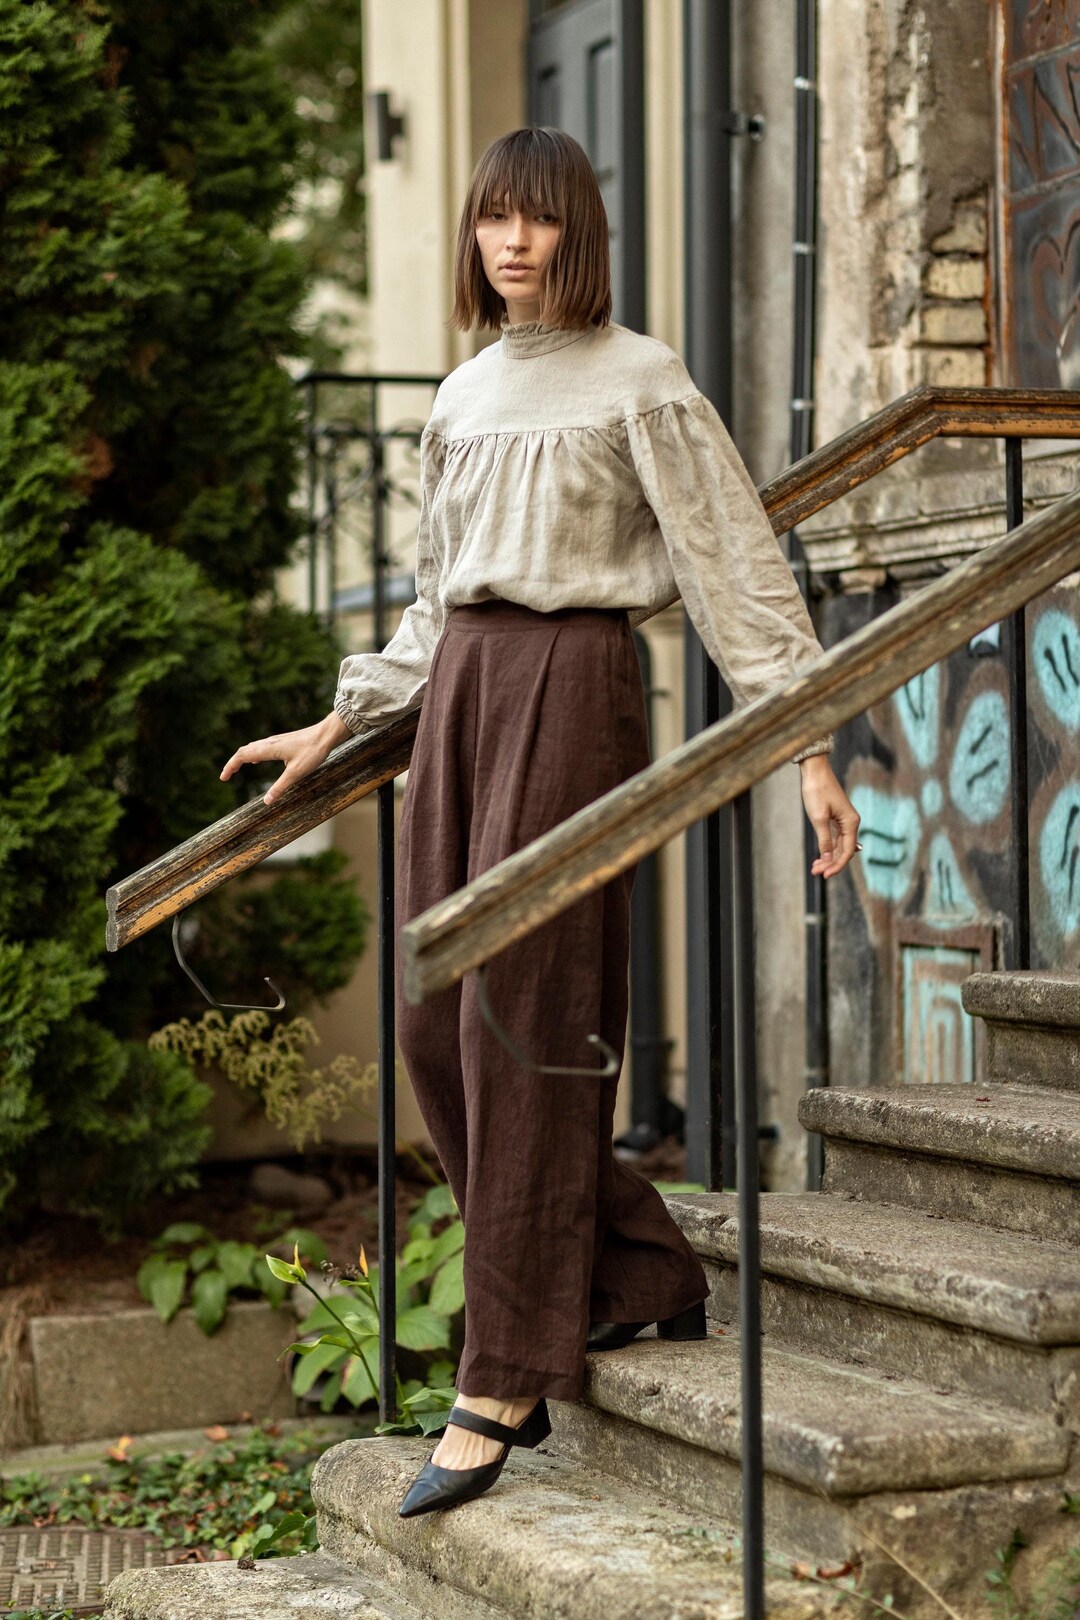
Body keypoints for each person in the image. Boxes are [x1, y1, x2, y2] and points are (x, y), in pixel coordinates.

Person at [220, 126, 861, 1518]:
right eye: (494, 219)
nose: (514, 242)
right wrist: (341, 720)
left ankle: (499, 1378)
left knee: (527, 1011)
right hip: (458, 701)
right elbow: (434, 599)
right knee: (429, 1022)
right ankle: (639, 1270)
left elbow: (732, 564)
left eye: (541, 220)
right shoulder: (460, 394)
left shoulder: (641, 381)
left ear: (580, 234)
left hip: (575, 692)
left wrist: (807, 744)